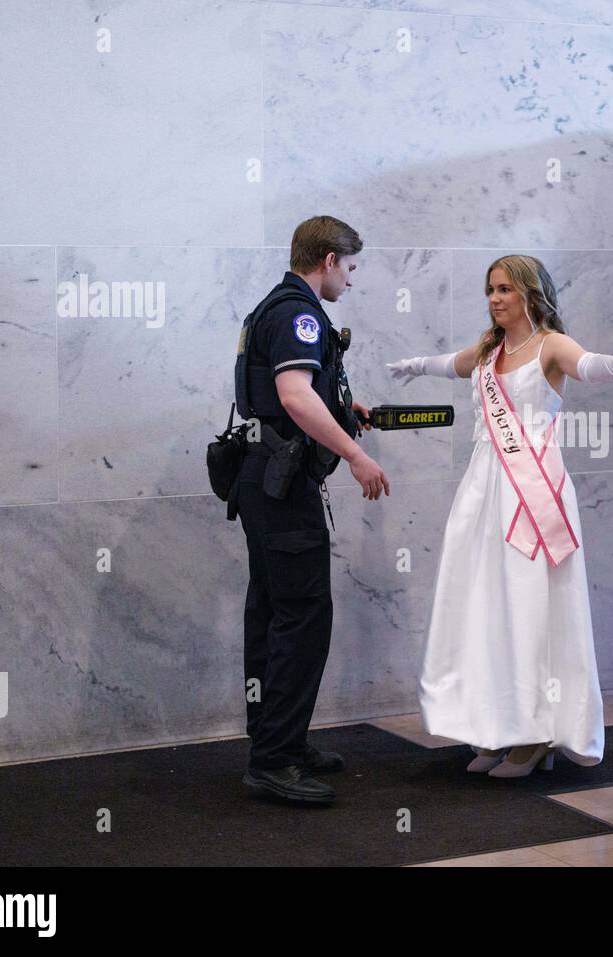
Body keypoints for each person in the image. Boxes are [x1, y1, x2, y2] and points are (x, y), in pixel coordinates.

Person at [388, 255, 613, 778]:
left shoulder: (549, 345)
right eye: (490, 290)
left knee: (529, 607)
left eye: (504, 290)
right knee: (484, 606)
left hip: (533, 493)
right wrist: (413, 366)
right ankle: (498, 727)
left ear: (529, 293)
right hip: (483, 491)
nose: (495, 299)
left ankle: (537, 735)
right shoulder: (486, 351)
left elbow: (590, 364)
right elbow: (449, 363)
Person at [234, 215, 390, 804]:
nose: (350, 281)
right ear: (327, 260)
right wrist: (354, 455)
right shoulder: (299, 313)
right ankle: (274, 758)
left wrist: (349, 412)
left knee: (276, 611)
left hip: (267, 479)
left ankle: (282, 742)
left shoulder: (276, 307)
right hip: (283, 486)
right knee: (301, 616)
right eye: (349, 269)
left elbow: (301, 396)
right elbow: (293, 395)